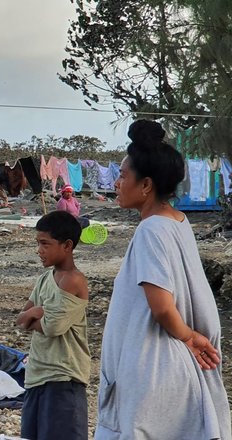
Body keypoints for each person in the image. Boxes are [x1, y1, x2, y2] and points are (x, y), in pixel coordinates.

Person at [95, 120, 231, 439]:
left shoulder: (150, 230)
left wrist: (189, 337)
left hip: (152, 368)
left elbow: (162, 307)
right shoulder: (178, 221)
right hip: (168, 367)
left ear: (145, 185)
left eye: (122, 175)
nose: (116, 182)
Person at [14, 211, 89, 440]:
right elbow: (21, 320)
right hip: (36, 375)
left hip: (63, 378)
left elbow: (53, 327)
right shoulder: (45, 279)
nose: (40, 250)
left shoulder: (73, 280)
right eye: (38, 243)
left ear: (67, 245)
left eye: (45, 244)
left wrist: (36, 312)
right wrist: (39, 312)